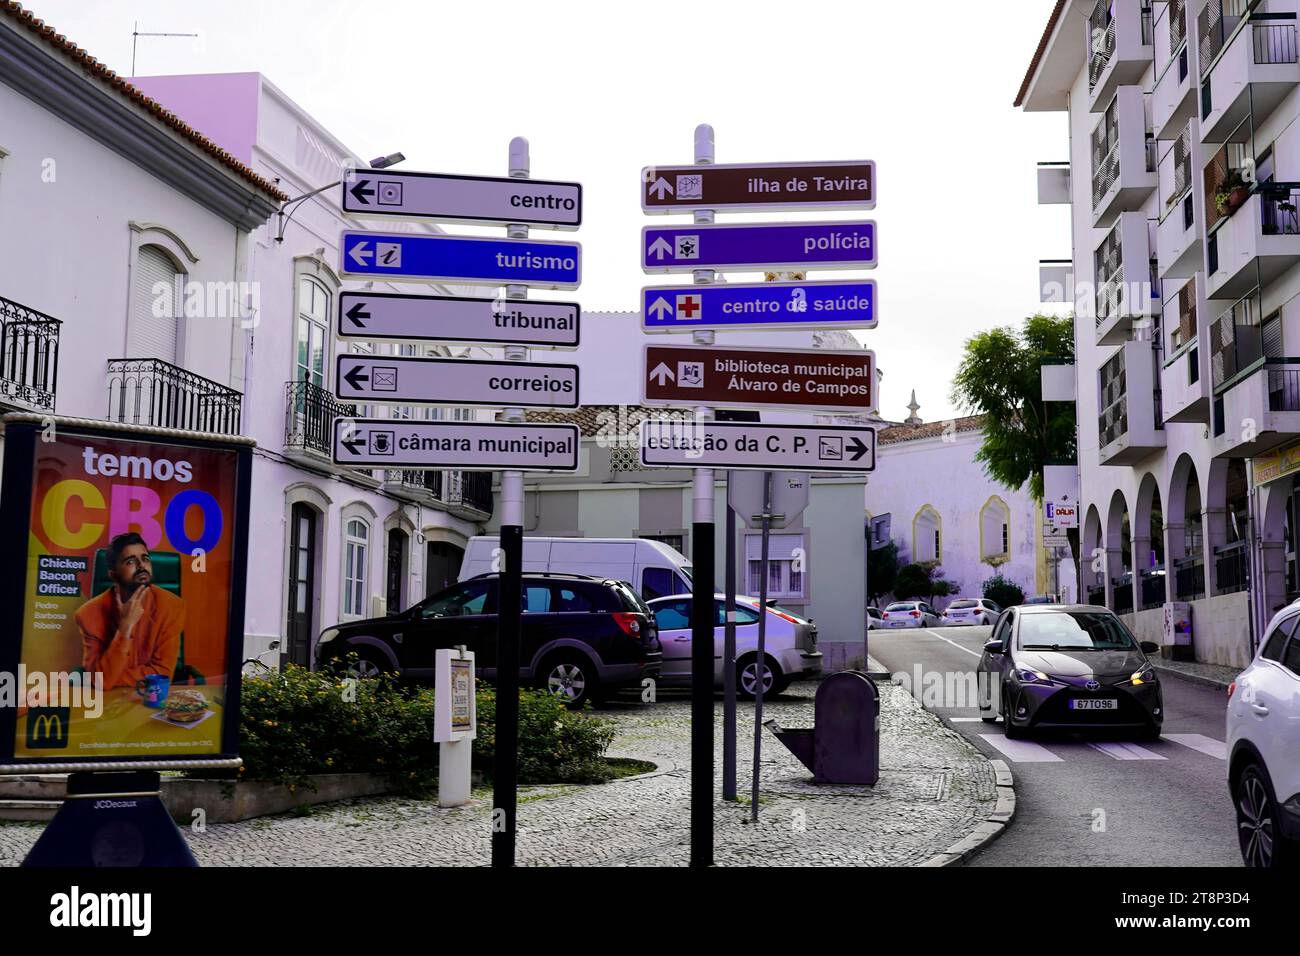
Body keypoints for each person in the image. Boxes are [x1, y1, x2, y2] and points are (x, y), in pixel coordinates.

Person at [76, 532, 186, 690]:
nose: (142, 566)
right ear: (113, 575)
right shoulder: (87, 615)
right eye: (130, 561)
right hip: (105, 704)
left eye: (145, 559)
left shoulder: (172, 607)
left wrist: (112, 677)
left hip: (151, 698)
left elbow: (163, 673)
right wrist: (124, 629)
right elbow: (99, 682)